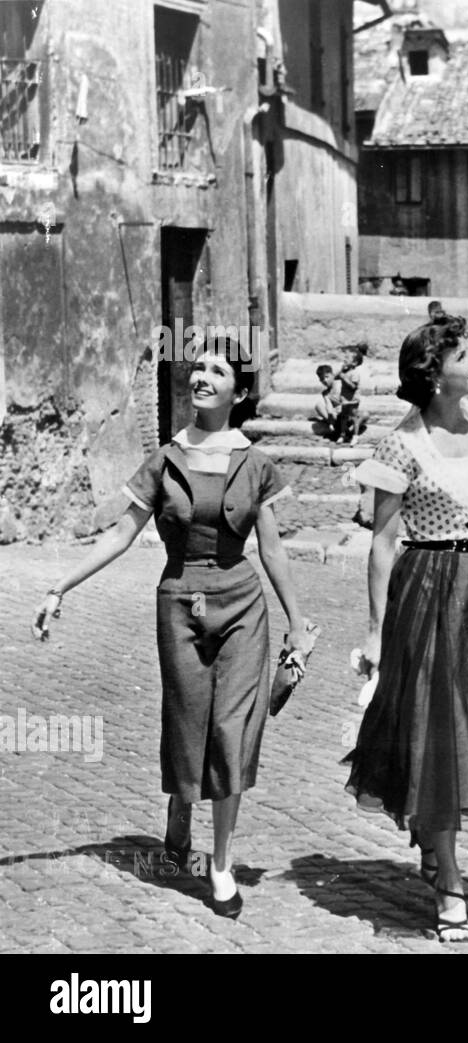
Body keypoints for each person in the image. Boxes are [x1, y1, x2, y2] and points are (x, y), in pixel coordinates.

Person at [32, 338, 310, 919]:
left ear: (238, 389)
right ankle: (181, 808)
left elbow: (274, 549)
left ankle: (223, 863)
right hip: (180, 603)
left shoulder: (255, 463)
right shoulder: (164, 459)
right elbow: (120, 534)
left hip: (242, 605)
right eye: (198, 367)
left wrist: (295, 621)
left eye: (218, 370)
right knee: (188, 721)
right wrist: (60, 586)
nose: (203, 376)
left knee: (232, 730)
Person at [344, 308, 468, 942]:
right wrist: (376, 630)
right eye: (464, 356)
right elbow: (380, 544)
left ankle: (433, 837)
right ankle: (450, 880)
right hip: (425, 589)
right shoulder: (400, 444)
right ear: (434, 374)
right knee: (436, 726)